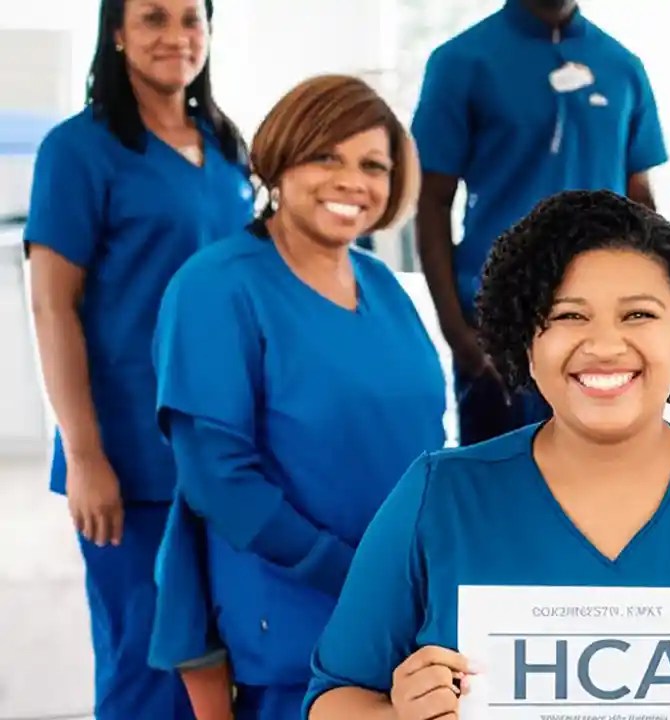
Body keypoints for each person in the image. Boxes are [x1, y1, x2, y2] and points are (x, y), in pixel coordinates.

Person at [303, 190, 670, 720]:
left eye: (638, 314)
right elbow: (333, 699)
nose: (606, 345)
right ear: (525, 340)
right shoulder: (438, 497)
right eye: (568, 316)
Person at [148, 74, 449, 720]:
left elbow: (429, 440)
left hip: (407, 619)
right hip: (291, 623)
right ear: (280, 161)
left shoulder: (384, 287)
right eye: (325, 157)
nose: (352, 181)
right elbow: (220, 482)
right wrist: (356, 574)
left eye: (373, 165)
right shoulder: (217, 287)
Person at [24, 1, 251, 717]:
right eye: (153, 18)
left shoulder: (224, 145)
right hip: (131, 453)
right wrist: (86, 454)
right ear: (117, 33)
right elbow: (51, 305)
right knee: (148, 660)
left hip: (224, 446)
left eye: (192, 19)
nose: (176, 37)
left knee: (226, 657)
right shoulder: (80, 149)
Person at [411, 0, 669, 446]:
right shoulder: (461, 62)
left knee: (605, 493)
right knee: (497, 495)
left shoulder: (622, 66)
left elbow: (641, 201)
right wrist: (460, 338)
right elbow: (431, 202)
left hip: (603, 329)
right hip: (498, 331)